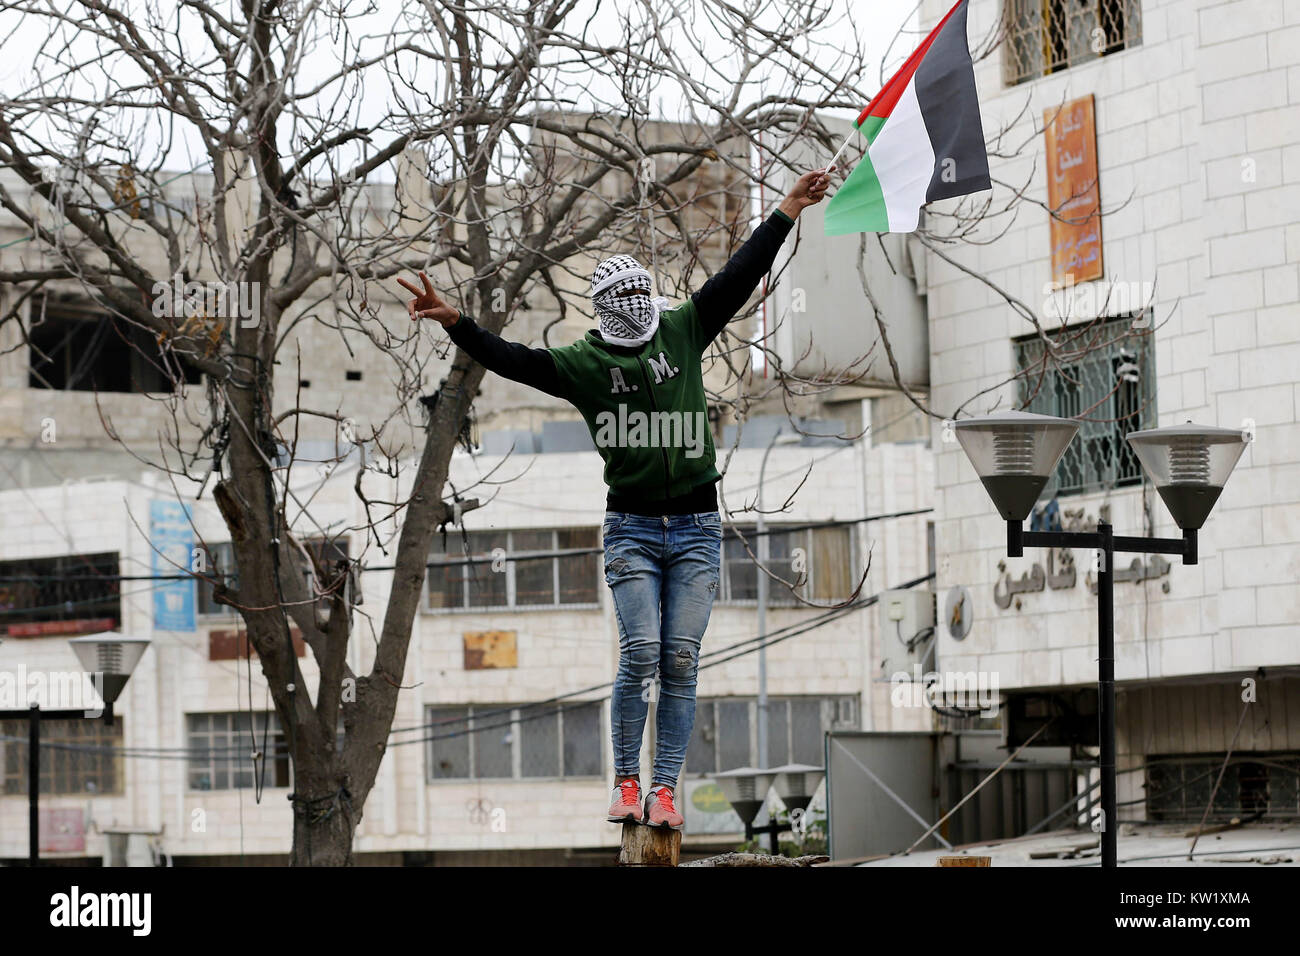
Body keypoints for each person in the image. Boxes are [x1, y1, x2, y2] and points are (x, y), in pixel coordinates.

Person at [399, 168, 830, 830]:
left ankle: (664, 791)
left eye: (640, 301)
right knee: (640, 653)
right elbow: (514, 359)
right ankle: (625, 783)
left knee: (681, 659)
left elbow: (737, 277)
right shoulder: (586, 364)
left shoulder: (683, 329)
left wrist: (785, 211)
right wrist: (456, 321)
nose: (635, 316)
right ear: (605, 317)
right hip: (631, 530)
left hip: (694, 529)